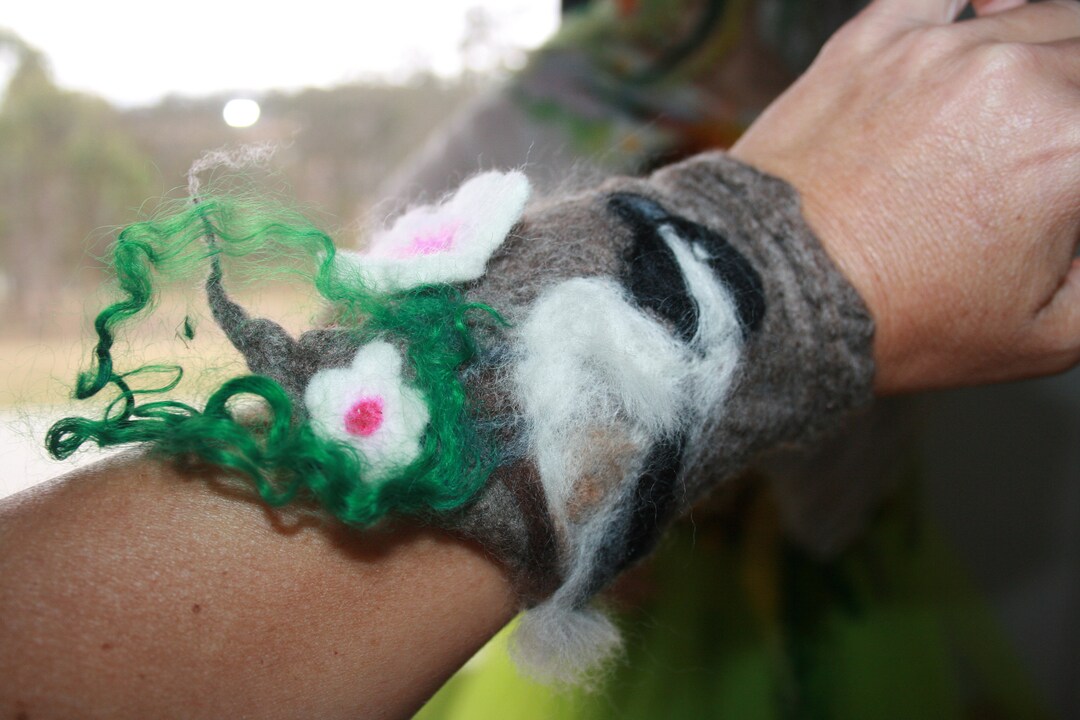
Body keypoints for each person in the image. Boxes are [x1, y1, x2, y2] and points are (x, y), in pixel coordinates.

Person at [1, 1, 1078, 718]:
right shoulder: (600, 72)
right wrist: (800, 251)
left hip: (818, 579)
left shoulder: (861, 63)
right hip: (630, 603)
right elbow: (409, 258)